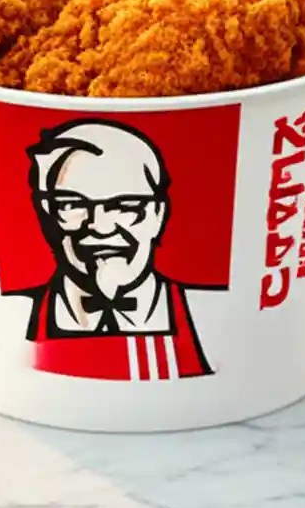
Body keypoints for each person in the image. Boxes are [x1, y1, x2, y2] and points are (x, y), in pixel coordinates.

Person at [16, 119, 210, 379]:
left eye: (126, 206)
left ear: (158, 214)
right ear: (47, 215)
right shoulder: (10, 314)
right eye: (73, 205)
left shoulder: (209, 313)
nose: (101, 227)